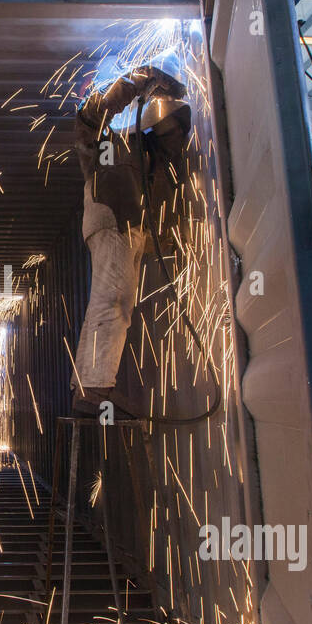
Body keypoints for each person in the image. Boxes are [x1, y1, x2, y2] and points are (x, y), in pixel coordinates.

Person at [72, 54, 191, 418]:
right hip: (112, 219)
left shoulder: (146, 148)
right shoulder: (99, 140)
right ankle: (94, 388)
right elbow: (96, 111)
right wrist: (140, 79)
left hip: (134, 227)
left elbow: (174, 138)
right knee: (113, 301)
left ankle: (86, 385)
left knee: (113, 303)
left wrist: (171, 96)